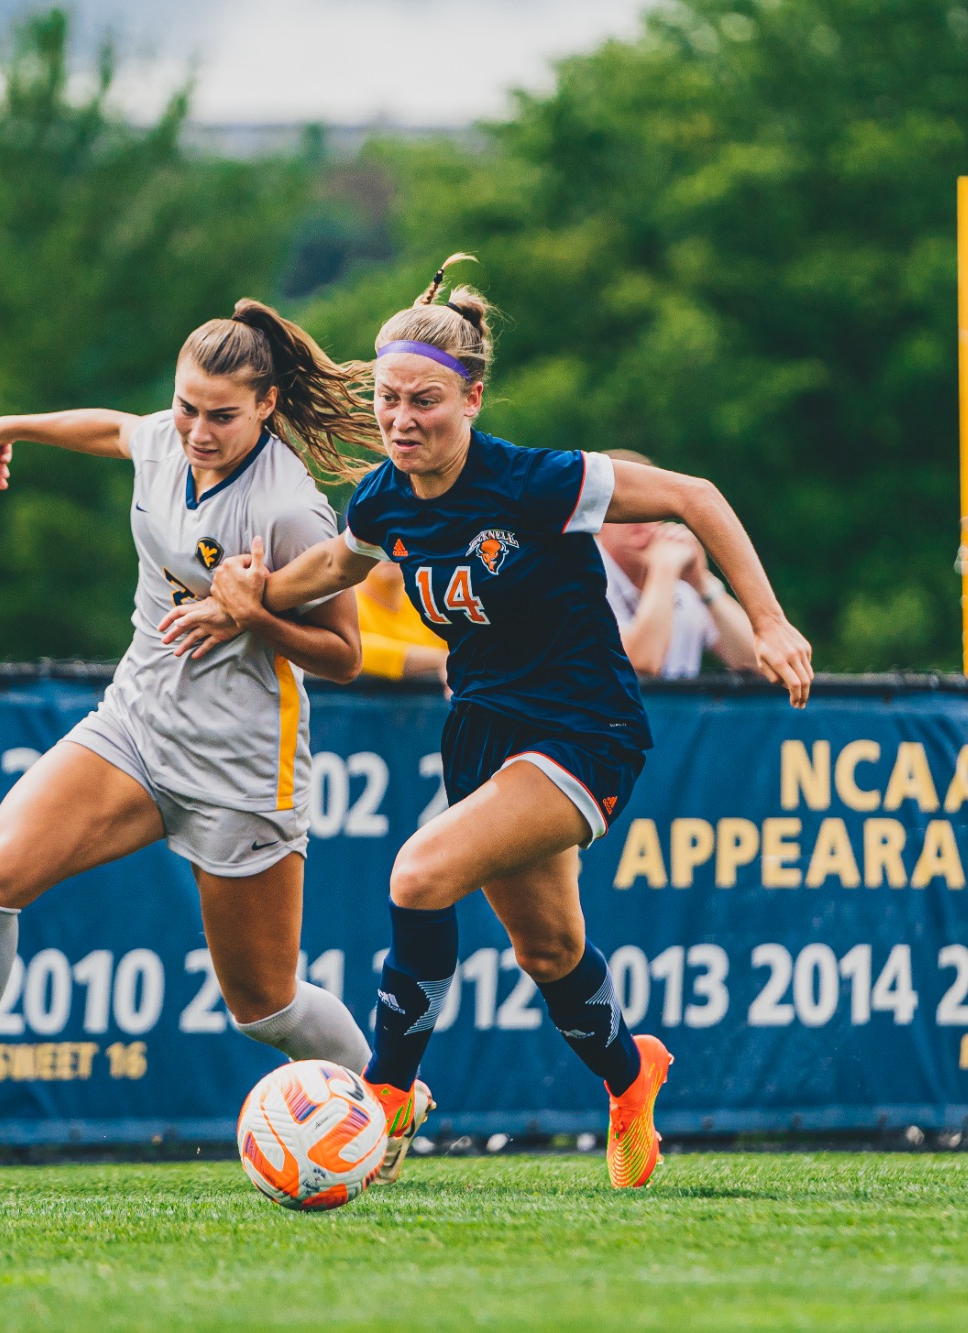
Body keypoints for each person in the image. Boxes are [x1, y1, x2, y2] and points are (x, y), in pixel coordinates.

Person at [164, 255, 812, 1189]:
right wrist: (248, 600)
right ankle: (635, 1081)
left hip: (584, 728)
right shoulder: (385, 495)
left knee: (419, 873)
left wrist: (769, 619)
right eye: (388, 399)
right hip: (482, 730)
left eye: (424, 399)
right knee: (548, 950)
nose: (401, 419)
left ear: (472, 398)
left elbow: (695, 497)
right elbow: (337, 569)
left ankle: (384, 1099)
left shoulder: (538, 482)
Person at [0, 300, 380, 1161]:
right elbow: (114, 429)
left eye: (221, 415)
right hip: (136, 724)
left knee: (264, 1006)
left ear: (266, 407)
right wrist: (12, 426)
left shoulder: (290, 508)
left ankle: (379, 1101)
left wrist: (251, 615)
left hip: (242, 767)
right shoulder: (167, 438)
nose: (195, 430)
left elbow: (344, 655)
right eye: (187, 405)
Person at [595, 449, 758, 679]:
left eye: (648, 499)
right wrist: (663, 571)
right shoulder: (577, 574)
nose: (638, 513)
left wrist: (701, 582)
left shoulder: (678, 570)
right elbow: (642, 664)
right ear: (595, 515)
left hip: (675, 716)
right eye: (623, 504)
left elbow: (758, 662)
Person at [356, 561, 449, 682]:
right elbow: (353, 649)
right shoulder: (343, 602)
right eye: (379, 546)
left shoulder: (427, 603)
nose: (389, 556)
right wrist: (438, 659)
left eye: (401, 546)